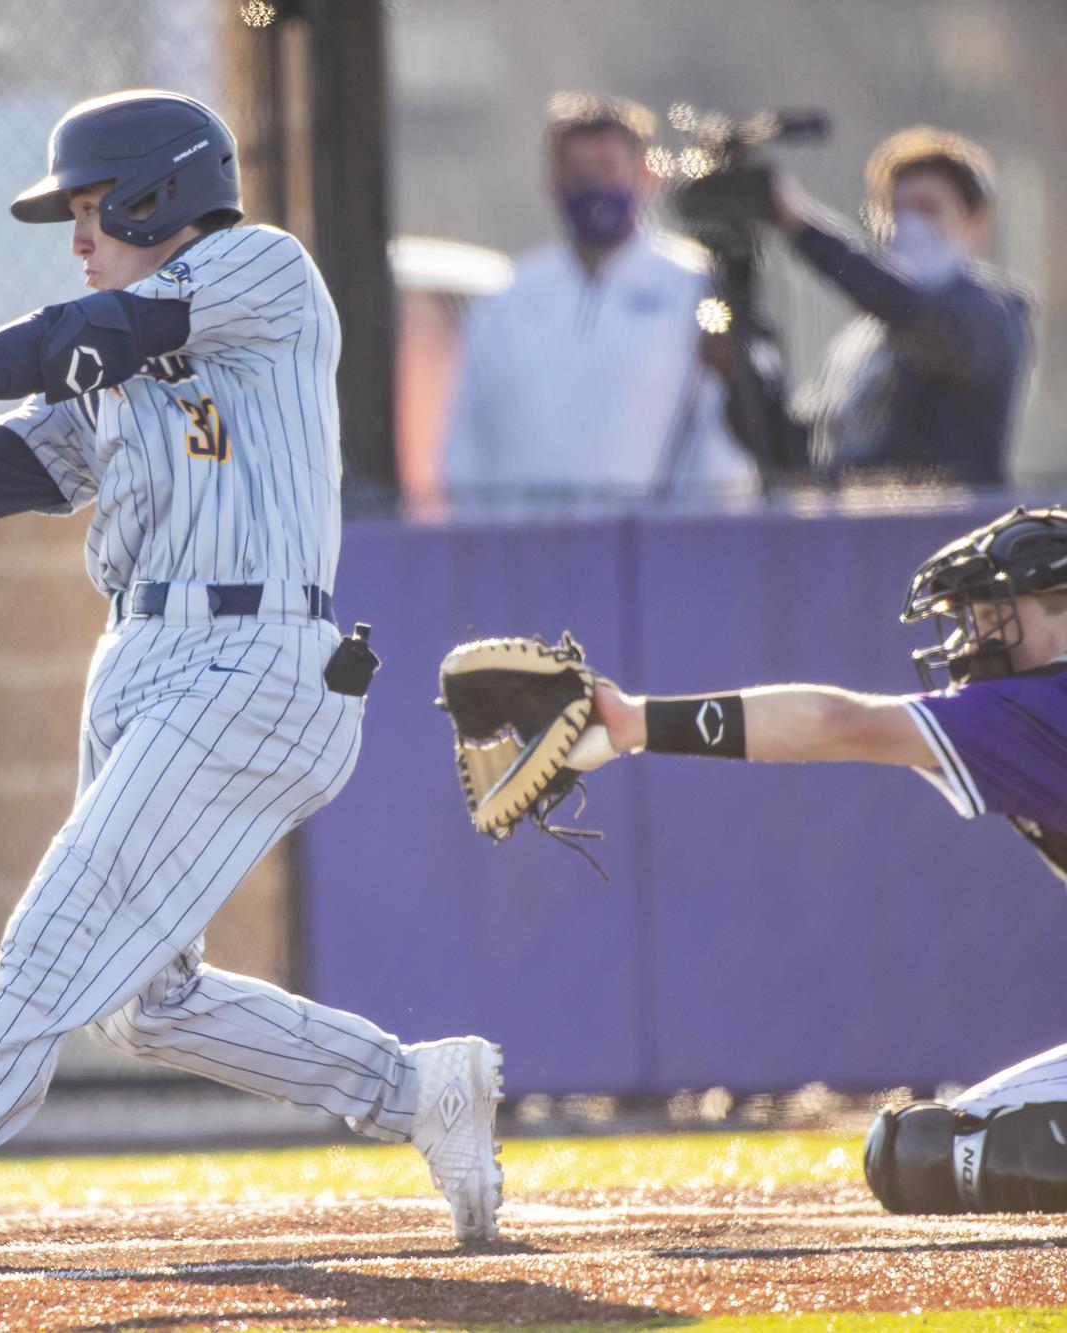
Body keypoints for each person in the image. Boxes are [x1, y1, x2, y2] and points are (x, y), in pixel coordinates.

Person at [0, 89, 506, 1269]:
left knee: (60, 920)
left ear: (157, 192)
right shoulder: (116, 363)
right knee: (144, 1000)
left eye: (90, 210)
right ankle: (412, 1089)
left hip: (253, 656)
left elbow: (79, 335)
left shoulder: (259, 270)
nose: (78, 237)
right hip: (141, 663)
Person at [582, 504, 1067, 1213]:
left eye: (995, 612)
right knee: (923, 1150)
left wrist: (637, 723)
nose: (972, 636)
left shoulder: (1045, 705)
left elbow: (839, 722)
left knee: (930, 1156)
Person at [440, 92, 756, 507]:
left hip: (651, 557)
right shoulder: (509, 301)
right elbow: (466, 446)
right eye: (576, 174)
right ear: (551, 184)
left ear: (645, 175)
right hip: (527, 558)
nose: (592, 189)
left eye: (606, 170)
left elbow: (722, 448)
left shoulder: (699, 290)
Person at [706, 127, 1032, 488]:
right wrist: (740, 372)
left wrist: (798, 223)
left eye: (928, 209)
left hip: (949, 538)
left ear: (976, 222)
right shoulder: (864, 337)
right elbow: (801, 454)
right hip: (859, 537)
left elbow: (912, 314)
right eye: (893, 210)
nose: (907, 225)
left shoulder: (989, 315)